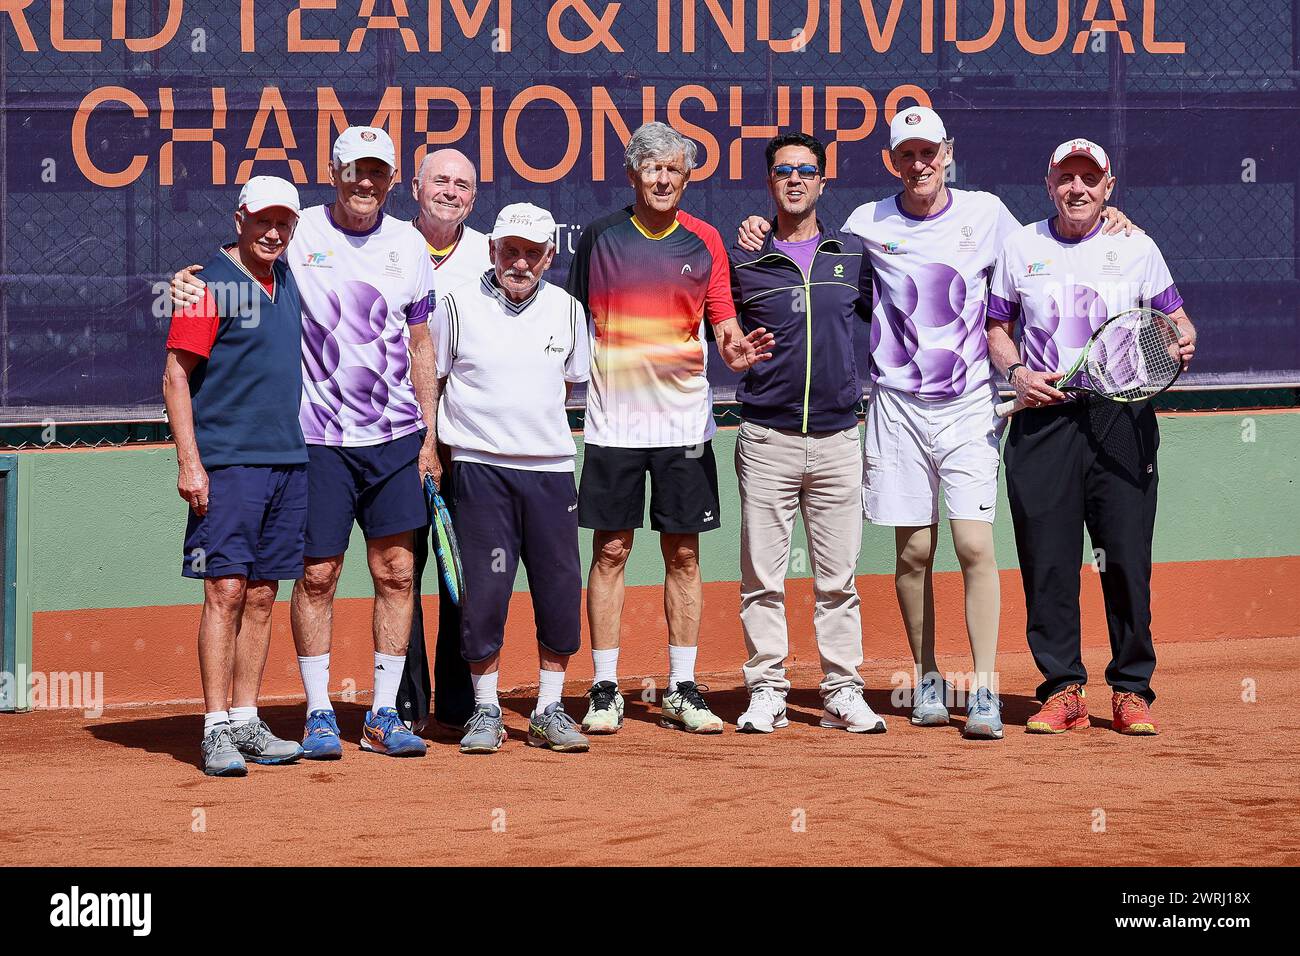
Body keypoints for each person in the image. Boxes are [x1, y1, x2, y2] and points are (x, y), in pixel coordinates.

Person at [737, 107, 1135, 740]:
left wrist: (1114, 222)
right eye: (906, 154)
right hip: (896, 410)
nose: (919, 163)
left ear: (947, 153)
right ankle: (925, 676)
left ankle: (980, 688)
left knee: (975, 545)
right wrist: (758, 228)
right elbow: (815, 257)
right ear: (890, 162)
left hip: (972, 406)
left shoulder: (989, 215)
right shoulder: (865, 224)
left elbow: (1054, 241)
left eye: (929, 152)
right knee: (915, 550)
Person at [171, 127, 438, 759]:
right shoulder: (300, 232)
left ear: (393, 180)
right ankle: (318, 713)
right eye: (354, 171)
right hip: (316, 440)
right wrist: (186, 279)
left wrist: (428, 435)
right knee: (314, 576)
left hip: (396, 438)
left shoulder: (409, 245)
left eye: (377, 173)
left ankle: (380, 713)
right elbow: (236, 262)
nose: (364, 183)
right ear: (334, 172)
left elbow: (421, 343)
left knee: (397, 573)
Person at [566, 121, 771, 735]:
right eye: (651, 169)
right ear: (632, 176)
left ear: (686, 177)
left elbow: (724, 324)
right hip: (613, 425)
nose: (662, 179)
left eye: (673, 170)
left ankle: (683, 687)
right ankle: (605, 687)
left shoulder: (705, 240)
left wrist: (735, 354)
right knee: (610, 550)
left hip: (685, 425)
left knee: (683, 554)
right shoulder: (599, 239)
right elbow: (575, 328)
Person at [986, 137, 1196, 735]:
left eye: (1089, 178)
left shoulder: (1137, 246)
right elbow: (997, 325)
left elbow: (1177, 320)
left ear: (1109, 187)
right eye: (1066, 178)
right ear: (1049, 184)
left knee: (1126, 557)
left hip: (1121, 420)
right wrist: (1018, 374)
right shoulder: (1020, 246)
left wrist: (1184, 340)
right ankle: (1063, 689)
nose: (1077, 188)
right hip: (1042, 420)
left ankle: (1131, 691)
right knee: (1047, 560)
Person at [728, 133, 887, 734]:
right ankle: (767, 689)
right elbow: (725, 334)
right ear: (770, 183)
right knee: (762, 579)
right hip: (766, 438)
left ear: (824, 182)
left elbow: (883, 320)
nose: (795, 180)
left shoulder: (851, 255)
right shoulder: (744, 256)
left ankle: (842, 691)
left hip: (840, 439)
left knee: (838, 580)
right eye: (784, 171)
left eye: (806, 171)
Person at [424, 203, 591, 754]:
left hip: (549, 473)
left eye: (531, 254)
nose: (520, 263)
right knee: (484, 592)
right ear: (493, 250)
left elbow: (571, 384)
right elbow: (436, 377)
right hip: (479, 471)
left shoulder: (568, 311)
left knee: (559, 588)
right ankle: (487, 709)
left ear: (548, 256)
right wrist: (437, 447)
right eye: (510, 252)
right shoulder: (455, 305)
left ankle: (548, 708)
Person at [162, 176, 307, 776]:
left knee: (264, 593)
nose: (273, 233)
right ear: (239, 219)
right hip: (227, 463)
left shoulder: (291, 277)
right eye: (263, 221)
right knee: (223, 590)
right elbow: (175, 376)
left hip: (289, 462)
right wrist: (189, 462)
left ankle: (247, 720)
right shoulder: (208, 287)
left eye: (284, 223)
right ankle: (215, 726)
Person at [397, 148, 491, 736]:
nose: (451, 192)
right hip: (396, 438)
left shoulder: (488, 254)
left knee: (462, 567)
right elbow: (277, 240)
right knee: (401, 570)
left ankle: (458, 702)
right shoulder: (385, 244)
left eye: (462, 185)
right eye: (440, 181)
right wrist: (195, 276)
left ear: (473, 198)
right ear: (414, 187)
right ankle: (404, 703)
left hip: (467, 440)